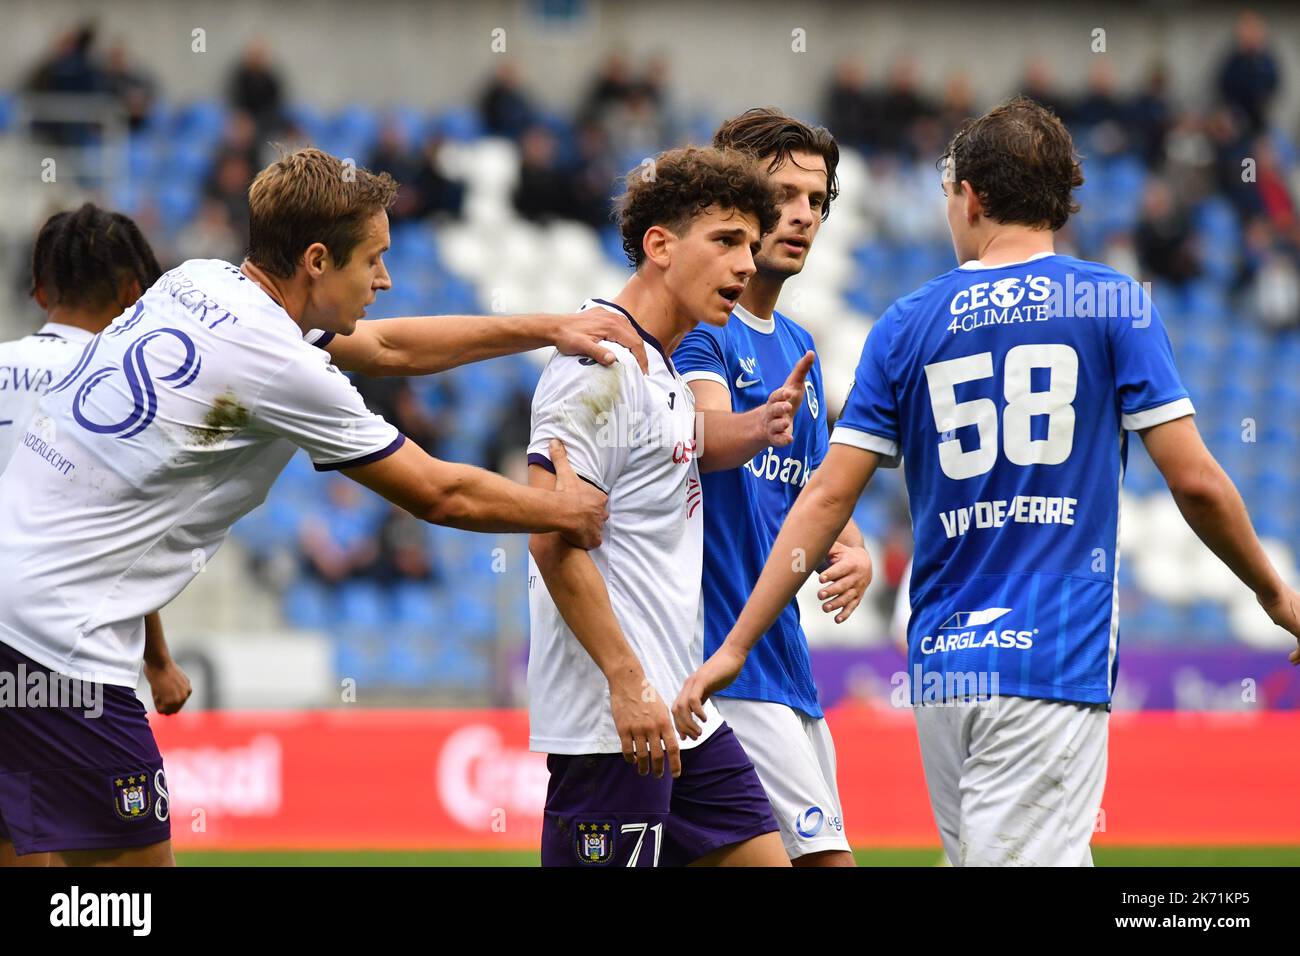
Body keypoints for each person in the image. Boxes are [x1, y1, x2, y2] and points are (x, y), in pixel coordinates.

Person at [675, 97, 1300, 866]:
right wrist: (1275, 593)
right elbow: (1197, 483)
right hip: (1050, 659)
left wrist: (736, 642)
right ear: (1063, 201)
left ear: (968, 196)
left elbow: (828, 494)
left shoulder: (906, 321)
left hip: (943, 669)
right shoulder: (1109, 300)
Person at [0, 147, 638, 868]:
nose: (386, 279)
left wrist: (545, 327)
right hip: (56, 642)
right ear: (314, 261)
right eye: (372, 260)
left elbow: (387, 346)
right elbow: (438, 491)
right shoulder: (281, 365)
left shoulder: (197, 280)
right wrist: (569, 511)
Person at [527, 146, 803, 867]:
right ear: (660, 245)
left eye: (750, 242)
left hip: (680, 715)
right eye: (726, 241)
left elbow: (681, 448)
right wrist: (626, 680)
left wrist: (759, 427)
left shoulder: (664, 365)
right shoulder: (599, 364)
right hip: (613, 722)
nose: (747, 263)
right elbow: (551, 540)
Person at [673, 109, 870, 866]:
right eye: (784, 193)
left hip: (786, 665)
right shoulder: (704, 327)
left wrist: (853, 553)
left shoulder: (797, 347)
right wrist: (759, 425)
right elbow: (707, 440)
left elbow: (816, 494)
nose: (802, 215)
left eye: (817, 201)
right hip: (724, 662)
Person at [0, 204, 192, 868]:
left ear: (40, 291)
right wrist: (158, 660)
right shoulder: (115, 392)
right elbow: (118, 537)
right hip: (67, 660)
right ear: (135, 294)